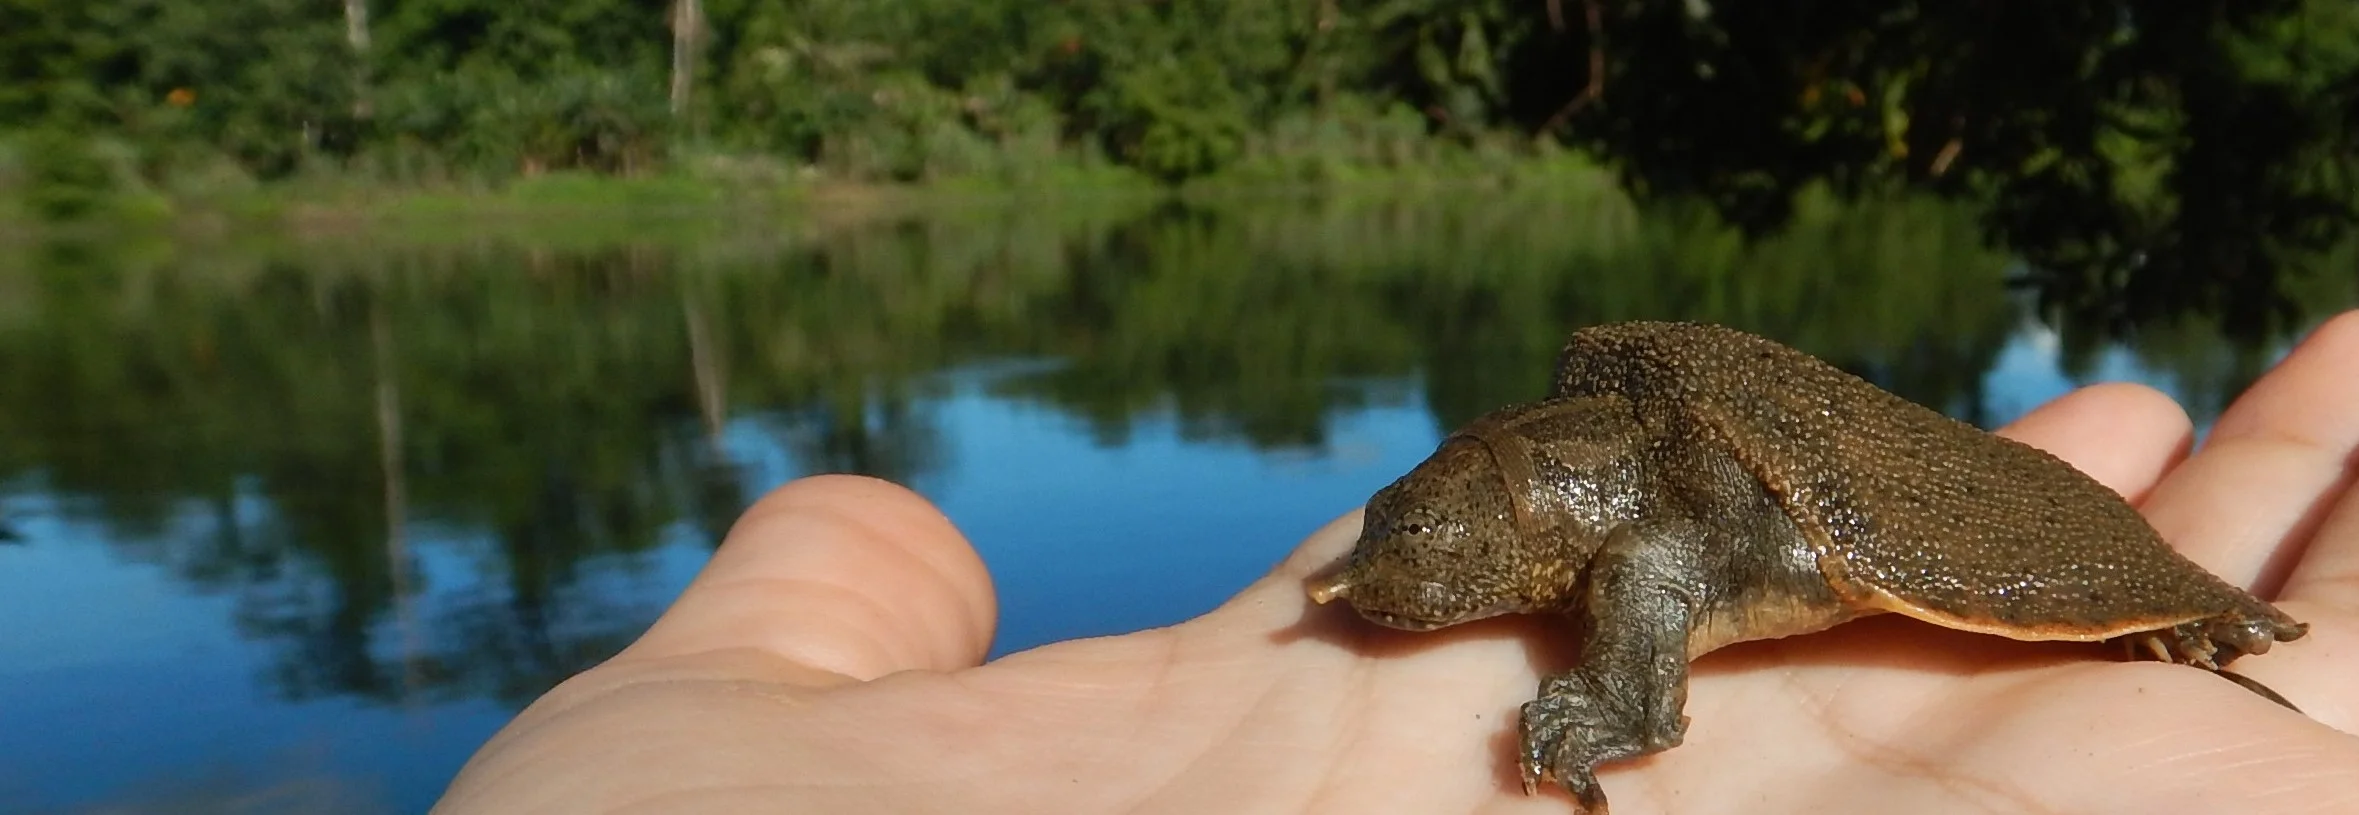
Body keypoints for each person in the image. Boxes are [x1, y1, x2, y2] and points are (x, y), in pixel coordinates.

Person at [432, 311, 2359, 814]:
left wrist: (1595, 708)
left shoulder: (1642, 553)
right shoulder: (1560, 498)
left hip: (1827, 501)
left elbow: (1650, 605)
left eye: (1419, 559)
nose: (1377, 582)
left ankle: (2176, 604)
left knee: (2129, 571)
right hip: (1719, 474)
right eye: (1402, 552)